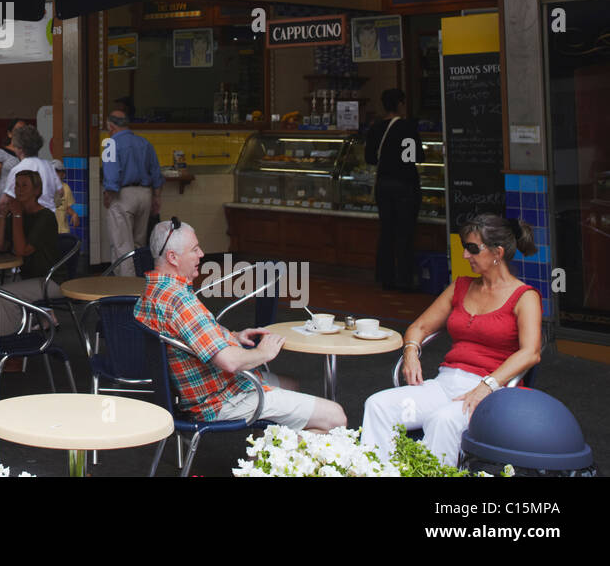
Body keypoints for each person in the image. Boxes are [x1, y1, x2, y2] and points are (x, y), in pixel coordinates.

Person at [135, 219, 346, 432]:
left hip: (205, 391)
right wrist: (263, 353)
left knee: (292, 385)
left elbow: (189, 338)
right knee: (335, 418)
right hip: (221, 399)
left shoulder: (153, 293)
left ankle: (271, 448)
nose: (201, 254)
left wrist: (232, 336)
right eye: (195, 249)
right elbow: (229, 362)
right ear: (173, 257)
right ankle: (264, 459)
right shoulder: (180, 301)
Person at [361, 215, 541, 466]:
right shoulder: (461, 286)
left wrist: (486, 385)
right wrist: (411, 353)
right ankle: (375, 472)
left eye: (472, 248)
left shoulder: (525, 296)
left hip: (491, 392)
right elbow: (419, 327)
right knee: (378, 405)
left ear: (497, 252)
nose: (466, 255)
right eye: (464, 247)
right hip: (444, 384)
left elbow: (531, 352)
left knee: (443, 420)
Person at [366, 88, 422, 291]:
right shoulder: (407, 127)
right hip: (405, 185)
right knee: (405, 232)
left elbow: (370, 158)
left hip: (383, 185)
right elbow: (416, 157)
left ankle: (385, 277)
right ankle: (404, 278)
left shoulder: (375, 128)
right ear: (400, 104)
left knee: (386, 231)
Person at [0, 171, 62, 334]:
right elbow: (0, 246)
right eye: (17, 185)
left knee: (4, 294)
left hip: (49, 280)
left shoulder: (45, 217)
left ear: (37, 190)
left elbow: (21, 250)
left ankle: (13, 343)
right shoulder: (18, 216)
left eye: (24, 186)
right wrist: (3, 217)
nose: (19, 190)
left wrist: (17, 214)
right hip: (28, 278)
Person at [102, 109, 163, 277]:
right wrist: (157, 197)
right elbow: (156, 172)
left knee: (122, 244)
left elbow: (111, 175)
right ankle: (141, 283)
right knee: (139, 243)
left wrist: (108, 194)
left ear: (111, 125)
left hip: (123, 195)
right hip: (145, 195)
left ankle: (126, 289)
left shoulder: (110, 144)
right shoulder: (144, 143)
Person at [0, 125, 61, 228]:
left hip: (30, 221)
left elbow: (5, 202)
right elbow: (60, 192)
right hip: (51, 219)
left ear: (20, 148)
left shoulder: (18, 169)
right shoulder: (48, 165)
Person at [51, 159, 80, 233]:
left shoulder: (66, 188)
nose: (54, 174)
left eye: (57, 171)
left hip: (63, 230)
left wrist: (74, 214)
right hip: (48, 230)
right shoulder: (44, 187)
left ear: (63, 174)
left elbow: (66, 207)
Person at [0, 119, 28, 184]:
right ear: (9, 134)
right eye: (18, 130)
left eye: (24, 130)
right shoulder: (0, 153)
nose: (21, 133)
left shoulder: (28, 156)